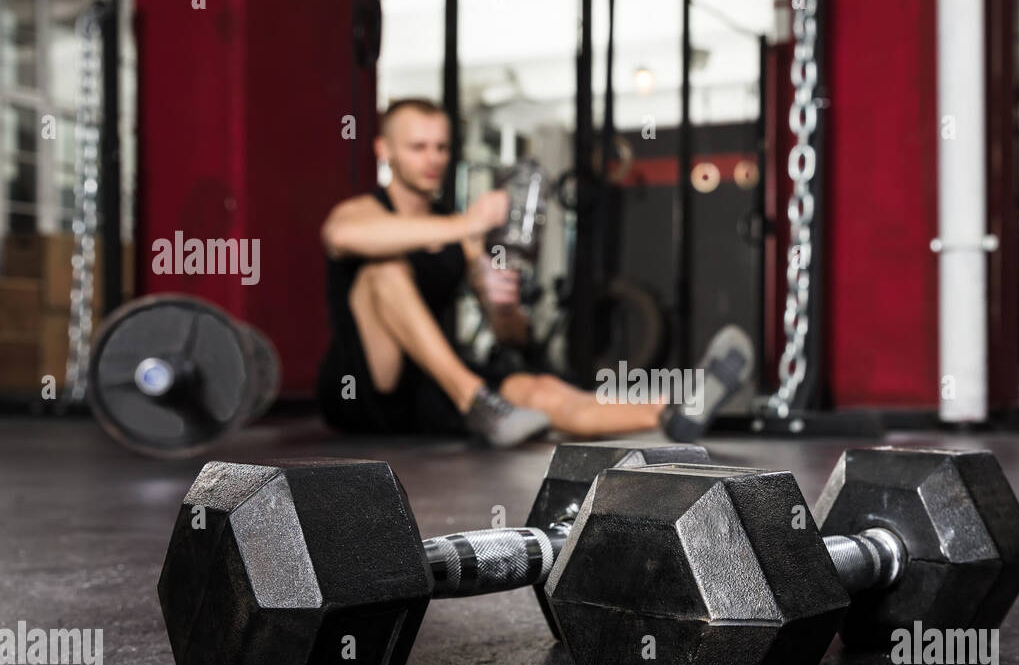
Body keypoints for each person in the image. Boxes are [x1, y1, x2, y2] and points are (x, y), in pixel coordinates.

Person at [316, 97, 750, 447]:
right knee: (384, 268)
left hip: (434, 386)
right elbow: (341, 235)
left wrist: (501, 305)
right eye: (418, 147)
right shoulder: (366, 212)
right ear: (384, 150)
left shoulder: (461, 235)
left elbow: (508, 335)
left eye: (441, 147)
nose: (433, 158)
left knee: (542, 391)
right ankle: (474, 398)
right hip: (365, 388)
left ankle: (671, 411)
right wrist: (467, 224)